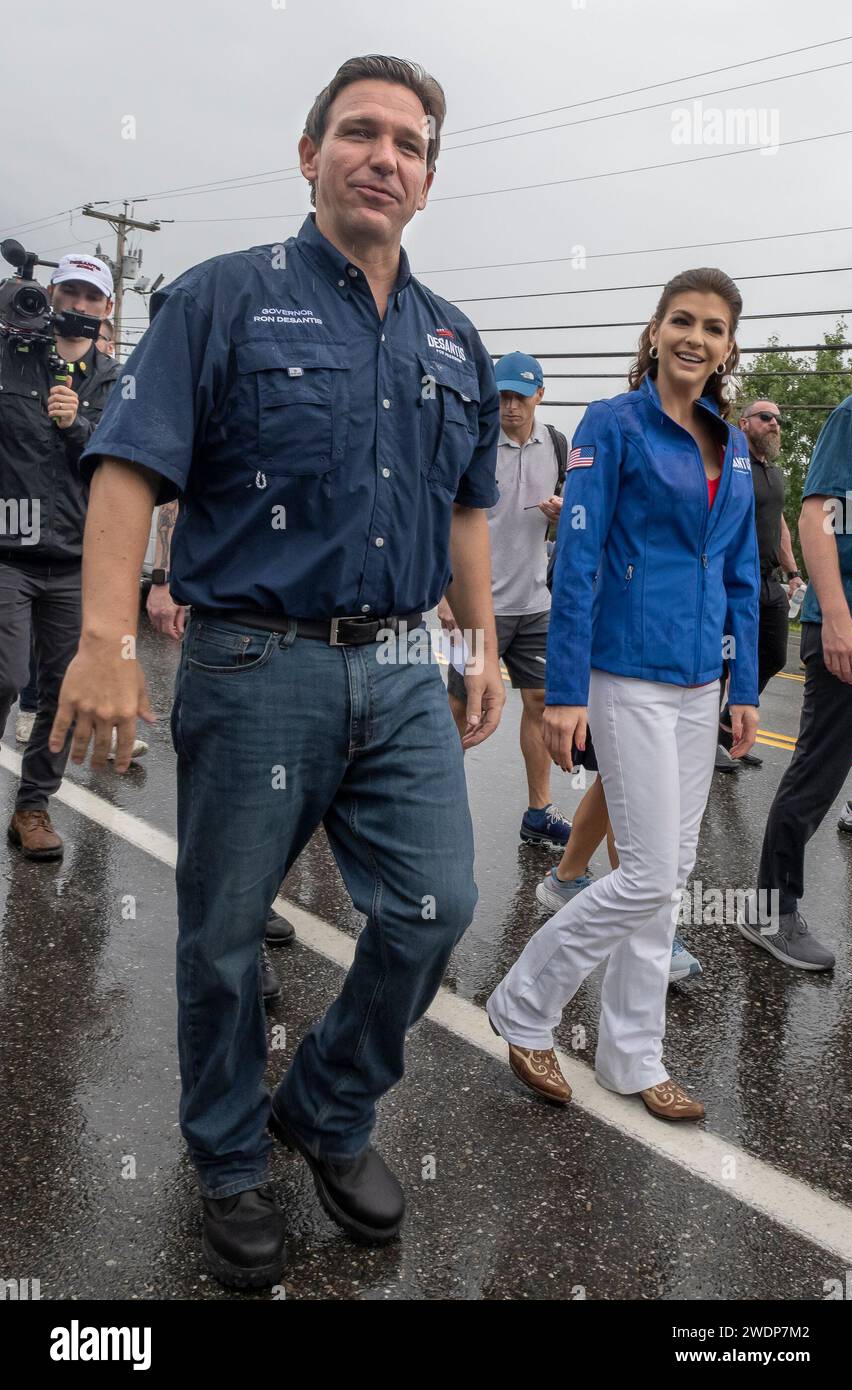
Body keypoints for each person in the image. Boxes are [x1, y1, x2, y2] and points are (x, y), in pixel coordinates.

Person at [51, 55, 504, 1290]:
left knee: (433, 908)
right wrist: (102, 643)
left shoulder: (453, 338)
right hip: (254, 660)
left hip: (405, 661)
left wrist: (479, 645)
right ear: (309, 156)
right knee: (222, 938)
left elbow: (468, 515)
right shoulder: (220, 299)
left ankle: (323, 1106)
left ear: (427, 178)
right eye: (358, 133)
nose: (383, 157)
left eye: (407, 144)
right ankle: (229, 1157)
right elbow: (126, 469)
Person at [487, 267, 760, 1120]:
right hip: (624, 670)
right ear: (654, 331)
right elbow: (581, 559)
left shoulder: (735, 444)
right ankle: (526, 1007)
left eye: (713, 329)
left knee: (670, 874)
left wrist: (741, 682)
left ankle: (631, 1055)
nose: (695, 339)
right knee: (645, 874)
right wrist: (563, 689)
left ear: (728, 348)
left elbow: (742, 571)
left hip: (697, 680)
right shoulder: (612, 425)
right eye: (682, 321)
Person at [146, 497, 296, 1001]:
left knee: (291, 798)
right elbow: (171, 488)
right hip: (236, 620)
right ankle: (238, 935)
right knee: (238, 801)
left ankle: (255, 904)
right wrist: (164, 579)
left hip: (319, 621)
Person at [0, 253, 118, 859]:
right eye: (68, 293)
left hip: (76, 560)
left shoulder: (117, 381)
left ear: (107, 308)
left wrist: (77, 427)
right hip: (7, 553)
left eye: (90, 297)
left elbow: (120, 471)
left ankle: (32, 809)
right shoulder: (11, 355)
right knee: (6, 674)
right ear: (50, 295)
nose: (78, 305)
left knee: (63, 693)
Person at [738, 388, 852, 969]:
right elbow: (816, 519)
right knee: (818, 773)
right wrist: (835, 616)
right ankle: (769, 910)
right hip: (849, 627)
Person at [441, 351, 571, 847]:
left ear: (540, 393)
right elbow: (448, 519)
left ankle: (539, 811)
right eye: (502, 395)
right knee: (461, 707)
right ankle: (439, 804)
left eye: (520, 395)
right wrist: (447, 598)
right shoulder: (474, 444)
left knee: (538, 702)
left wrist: (565, 514)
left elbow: (574, 516)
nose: (510, 405)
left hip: (536, 601)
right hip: (478, 605)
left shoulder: (557, 446)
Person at [714, 399, 804, 772]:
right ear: (745, 423)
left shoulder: (773, 473)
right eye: (765, 417)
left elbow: (779, 524)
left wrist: (793, 572)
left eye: (778, 419)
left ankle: (725, 728)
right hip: (730, 582)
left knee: (773, 655)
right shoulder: (730, 465)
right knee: (721, 663)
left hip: (768, 584)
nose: (774, 424)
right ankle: (705, 741)